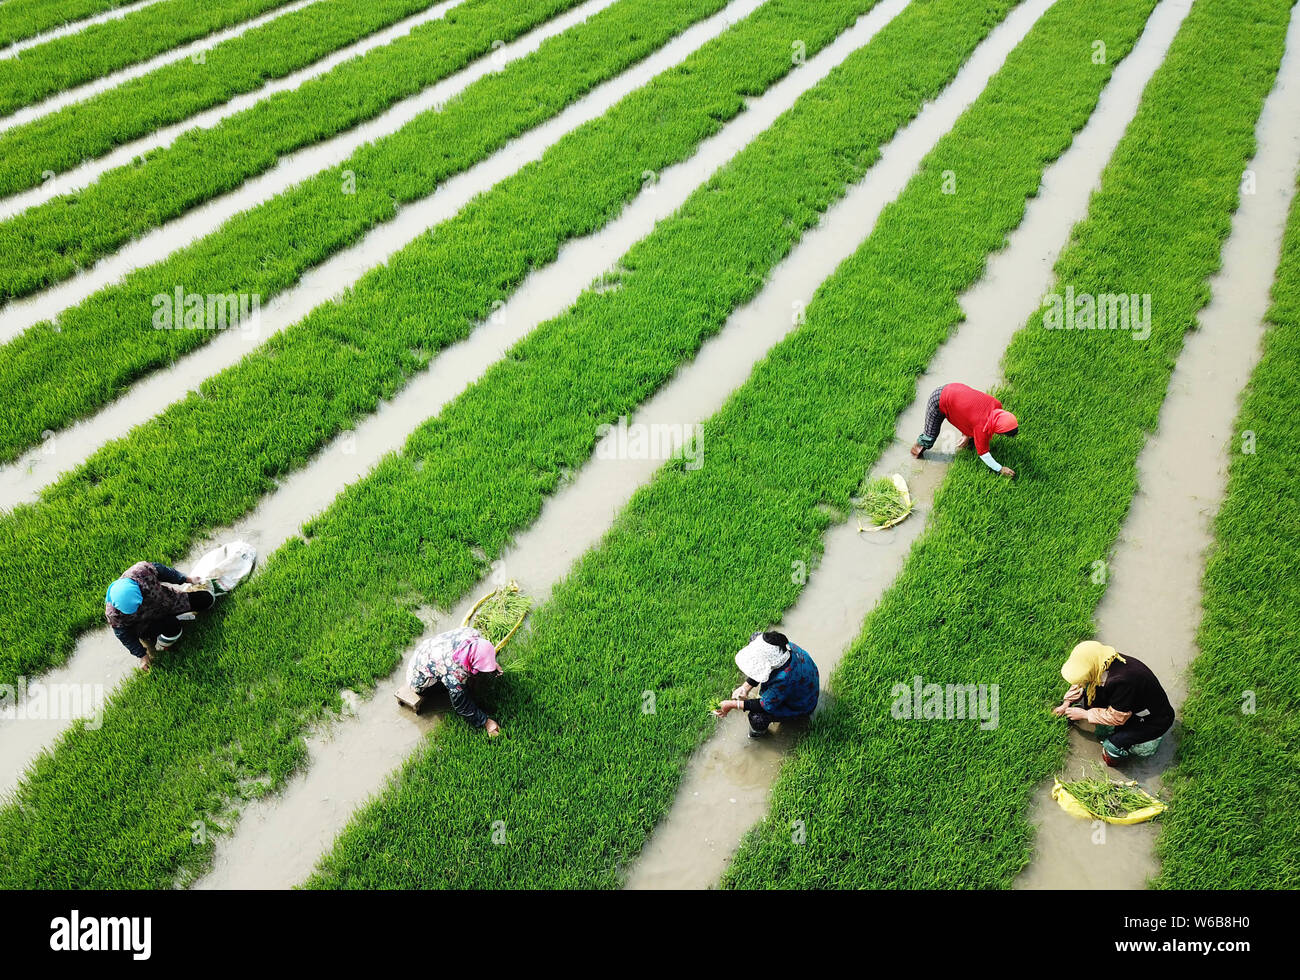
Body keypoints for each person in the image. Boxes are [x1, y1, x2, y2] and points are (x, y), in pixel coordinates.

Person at [1052, 640, 1174, 765]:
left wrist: (1085, 714)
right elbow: (1082, 681)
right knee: (1091, 697)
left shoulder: (1123, 681)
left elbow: (1117, 717)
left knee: (1111, 748)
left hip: (1152, 719)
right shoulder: (1102, 662)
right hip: (1129, 704)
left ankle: (1123, 757)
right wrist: (1066, 703)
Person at [105, 561, 214, 671]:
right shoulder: (113, 614)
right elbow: (125, 636)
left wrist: (187, 579)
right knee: (173, 626)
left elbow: (166, 573)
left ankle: (177, 616)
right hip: (146, 623)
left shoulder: (143, 571)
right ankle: (160, 644)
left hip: (167, 602)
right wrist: (142, 656)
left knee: (207, 599)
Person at [715, 630, 819, 738]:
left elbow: (764, 705)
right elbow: (763, 667)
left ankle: (757, 738)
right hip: (802, 685)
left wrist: (731, 705)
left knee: (757, 718)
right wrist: (745, 687)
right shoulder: (783, 647)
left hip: (800, 706)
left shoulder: (784, 679)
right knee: (755, 635)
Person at [407, 626, 503, 736]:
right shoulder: (455, 672)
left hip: (428, 650)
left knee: (464, 680)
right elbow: (462, 706)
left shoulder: (472, 633)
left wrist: (491, 663)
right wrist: (486, 722)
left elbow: (481, 652)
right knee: (460, 692)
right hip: (418, 680)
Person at [910, 382, 1018, 478]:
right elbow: (984, 454)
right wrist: (1000, 469)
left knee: (971, 434)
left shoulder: (997, 405)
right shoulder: (982, 427)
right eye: (1002, 434)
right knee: (929, 437)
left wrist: (966, 434)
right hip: (937, 401)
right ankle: (914, 454)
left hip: (953, 388)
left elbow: (968, 414)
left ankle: (968, 439)